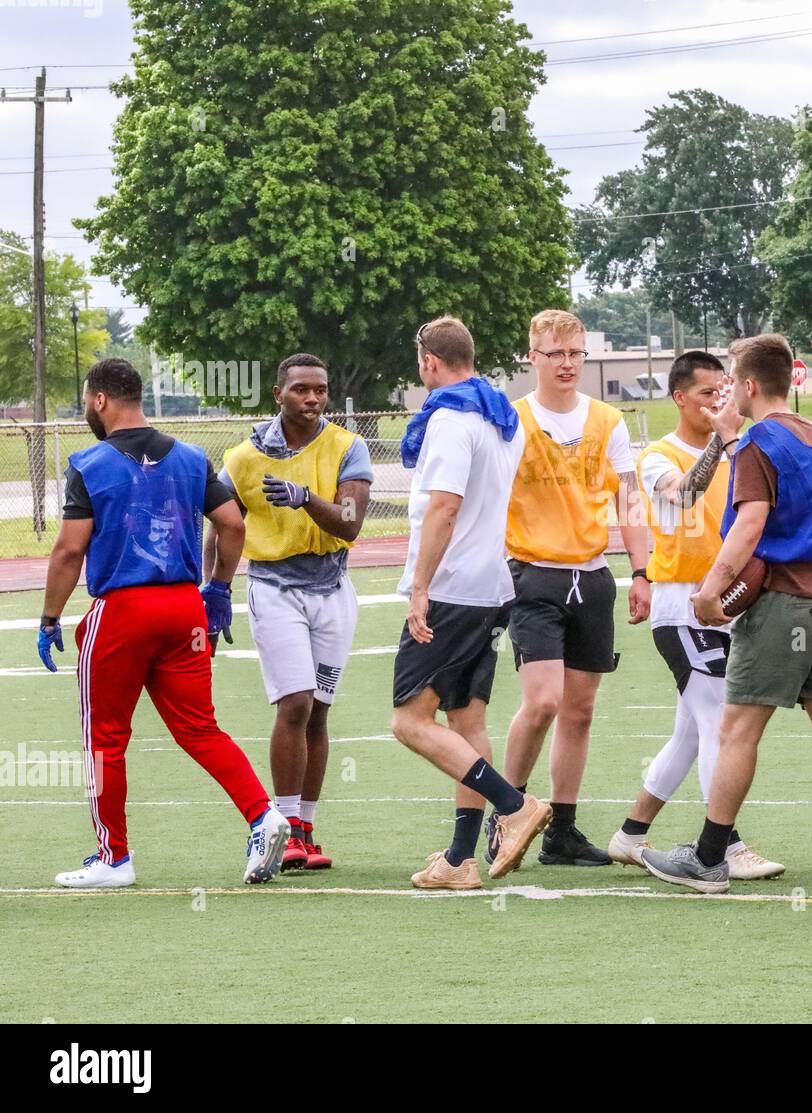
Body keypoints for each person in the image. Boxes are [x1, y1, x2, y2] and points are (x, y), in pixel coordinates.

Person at [641, 334, 812, 895]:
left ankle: (709, 858)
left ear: (750, 385)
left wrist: (711, 591)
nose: (728, 390)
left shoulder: (757, 441)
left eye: (733, 380)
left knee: (736, 730)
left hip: (785, 602)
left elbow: (752, 522)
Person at [38, 358, 288, 888]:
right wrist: (218, 588)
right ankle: (264, 816)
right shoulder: (192, 457)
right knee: (200, 728)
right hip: (183, 607)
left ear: (100, 399)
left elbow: (68, 550)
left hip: (123, 611)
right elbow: (232, 524)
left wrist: (50, 616)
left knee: (105, 737)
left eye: (88, 399)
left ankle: (114, 858)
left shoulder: (90, 462)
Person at [606, 350, 783, 880]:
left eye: (723, 392)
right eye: (708, 394)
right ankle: (724, 845)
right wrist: (720, 439)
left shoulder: (740, 448)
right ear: (680, 397)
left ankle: (630, 834)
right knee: (717, 721)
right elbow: (684, 496)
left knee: (690, 731)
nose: (718, 402)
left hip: (731, 602)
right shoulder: (658, 455)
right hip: (681, 606)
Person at [487, 309, 651, 869]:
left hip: (592, 576)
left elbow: (629, 500)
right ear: (532, 357)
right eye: (555, 353)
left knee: (579, 712)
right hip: (532, 576)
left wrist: (642, 570)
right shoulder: (512, 421)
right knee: (543, 701)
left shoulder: (607, 419)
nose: (567, 363)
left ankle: (562, 830)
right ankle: (507, 813)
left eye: (575, 353)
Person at [390, 317, 551, 888]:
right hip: (491, 586)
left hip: (453, 587)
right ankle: (460, 860)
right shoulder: (500, 418)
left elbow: (445, 508)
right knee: (466, 720)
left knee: (409, 722)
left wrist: (420, 587)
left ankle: (515, 805)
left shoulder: (452, 418)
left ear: (429, 362)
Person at [210, 353, 372, 870]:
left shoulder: (347, 445)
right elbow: (218, 525)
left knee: (320, 708)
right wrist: (208, 588)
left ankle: (304, 828)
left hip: (332, 588)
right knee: (296, 702)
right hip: (274, 586)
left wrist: (305, 498)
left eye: (320, 390)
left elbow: (348, 524)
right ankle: (280, 827)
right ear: (278, 393)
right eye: (301, 389)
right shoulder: (244, 458)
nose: (313, 398)